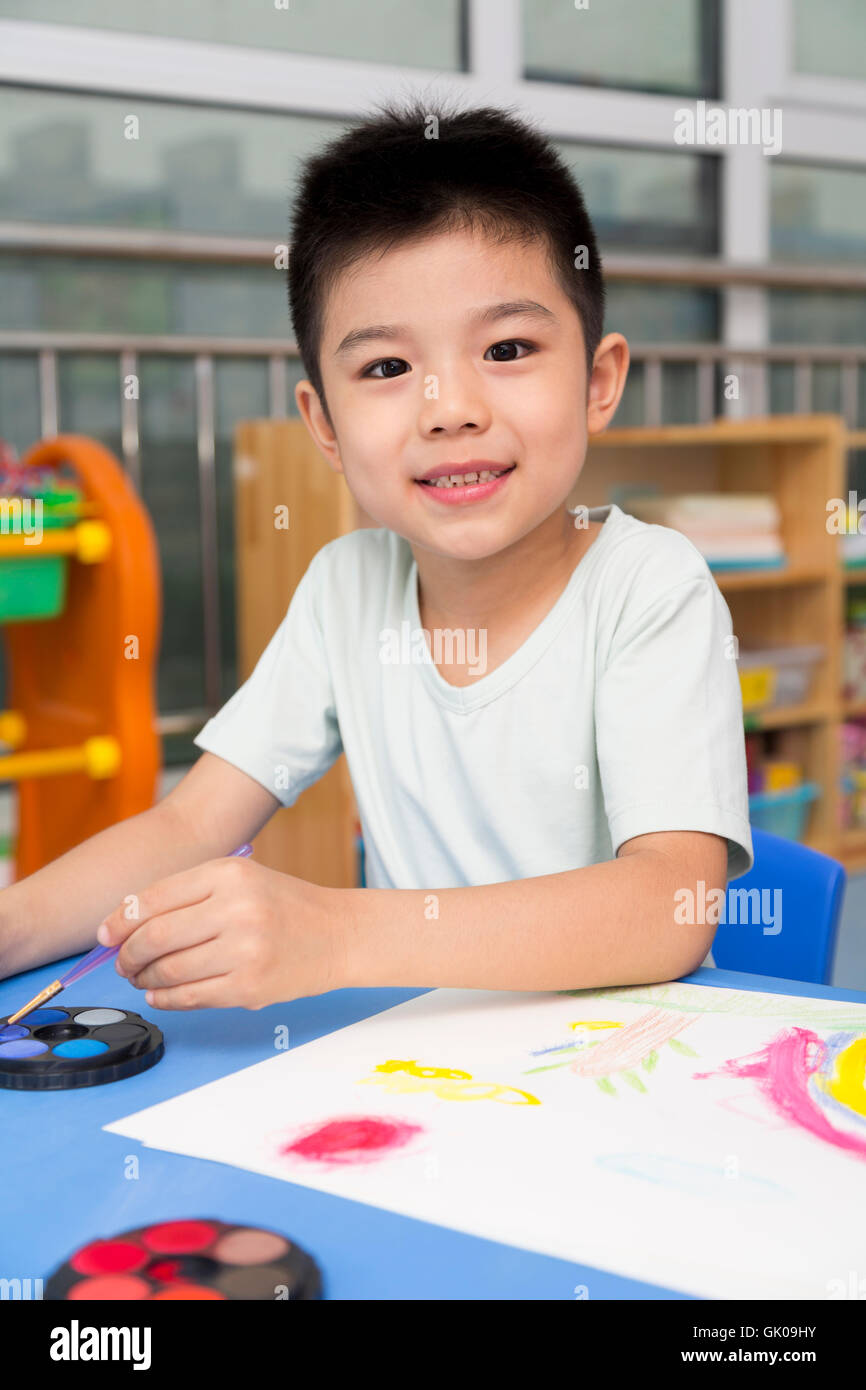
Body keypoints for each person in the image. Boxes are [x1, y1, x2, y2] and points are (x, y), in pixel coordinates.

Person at [0, 100, 752, 1010]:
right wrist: (20, 921)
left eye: (507, 347)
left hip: (628, 1072)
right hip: (420, 1079)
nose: (449, 408)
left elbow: (669, 906)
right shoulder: (344, 592)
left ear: (597, 381)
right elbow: (194, 822)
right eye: (387, 370)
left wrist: (338, 934)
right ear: (323, 424)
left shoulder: (649, 589)